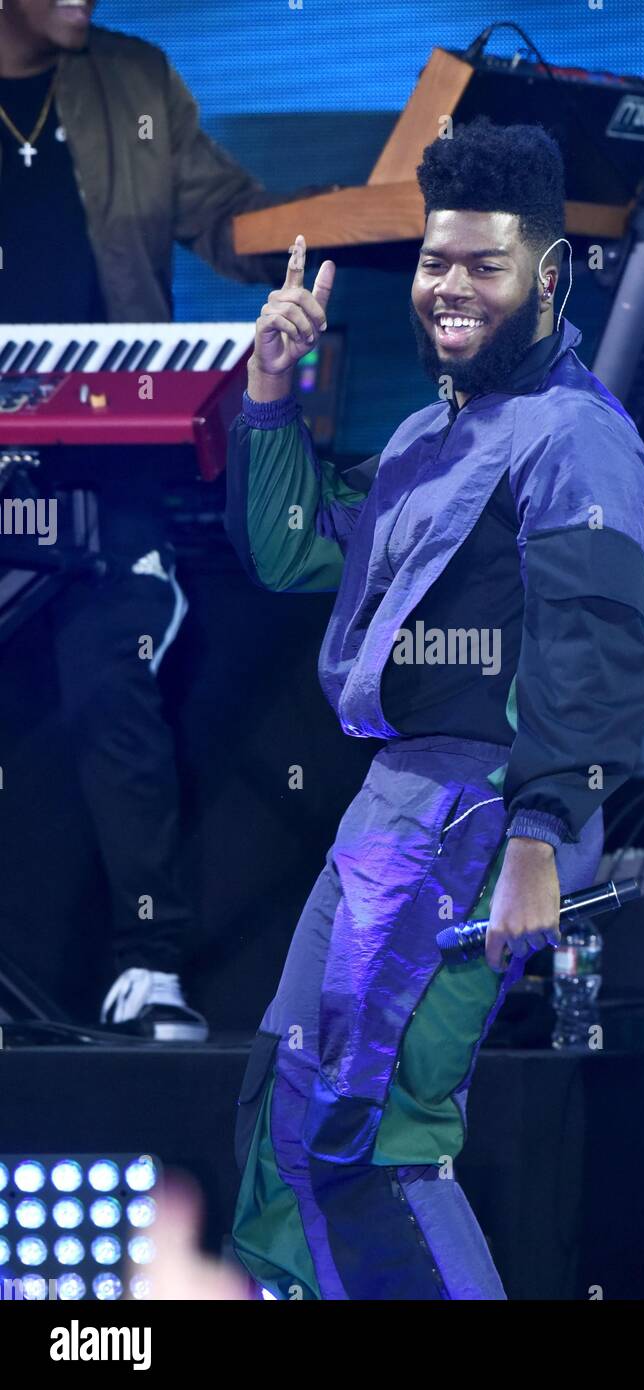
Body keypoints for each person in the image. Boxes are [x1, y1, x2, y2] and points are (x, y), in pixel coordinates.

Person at [225, 118, 644, 1299]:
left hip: (471, 814)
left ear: (547, 274)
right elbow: (284, 549)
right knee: (290, 1114)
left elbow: (589, 652)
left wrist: (537, 843)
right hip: (383, 810)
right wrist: (270, 389)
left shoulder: (578, 437)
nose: (450, 287)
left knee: (375, 1136)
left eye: (484, 264)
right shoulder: (428, 435)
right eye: (434, 260)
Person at [0, 0, 299, 1039]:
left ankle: (149, 965)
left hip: (105, 456)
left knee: (112, 673)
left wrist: (320, 245)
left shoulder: (134, 82)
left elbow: (227, 214)